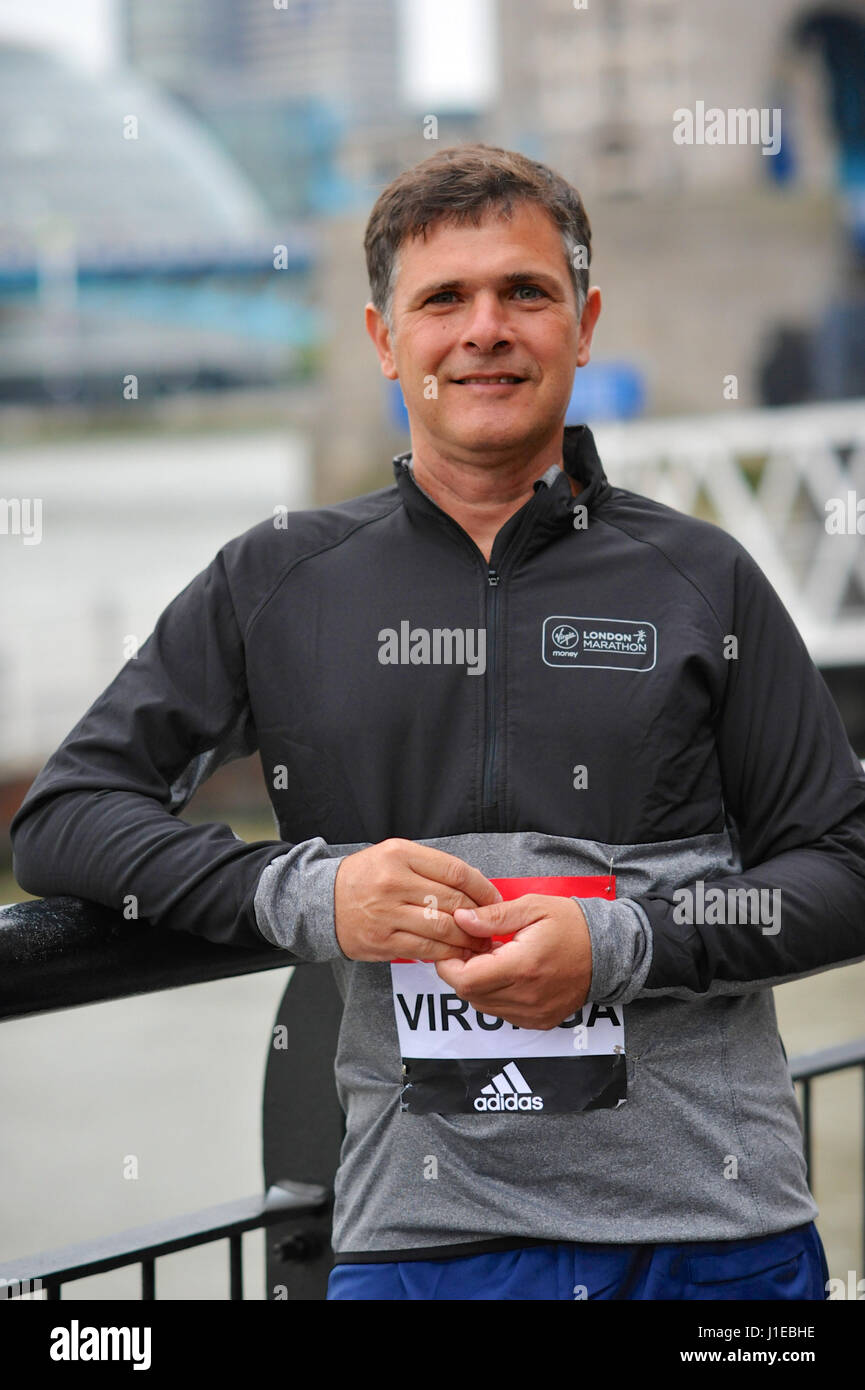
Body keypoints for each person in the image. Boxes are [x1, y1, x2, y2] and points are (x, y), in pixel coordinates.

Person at [10, 145, 865, 1303]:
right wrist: (313, 892)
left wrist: (628, 947)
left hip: (715, 1241)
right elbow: (66, 820)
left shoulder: (699, 575)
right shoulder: (278, 580)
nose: (486, 329)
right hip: (425, 1244)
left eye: (525, 291)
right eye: (442, 299)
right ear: (381, 340)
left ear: (583, 319)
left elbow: (843, 865)